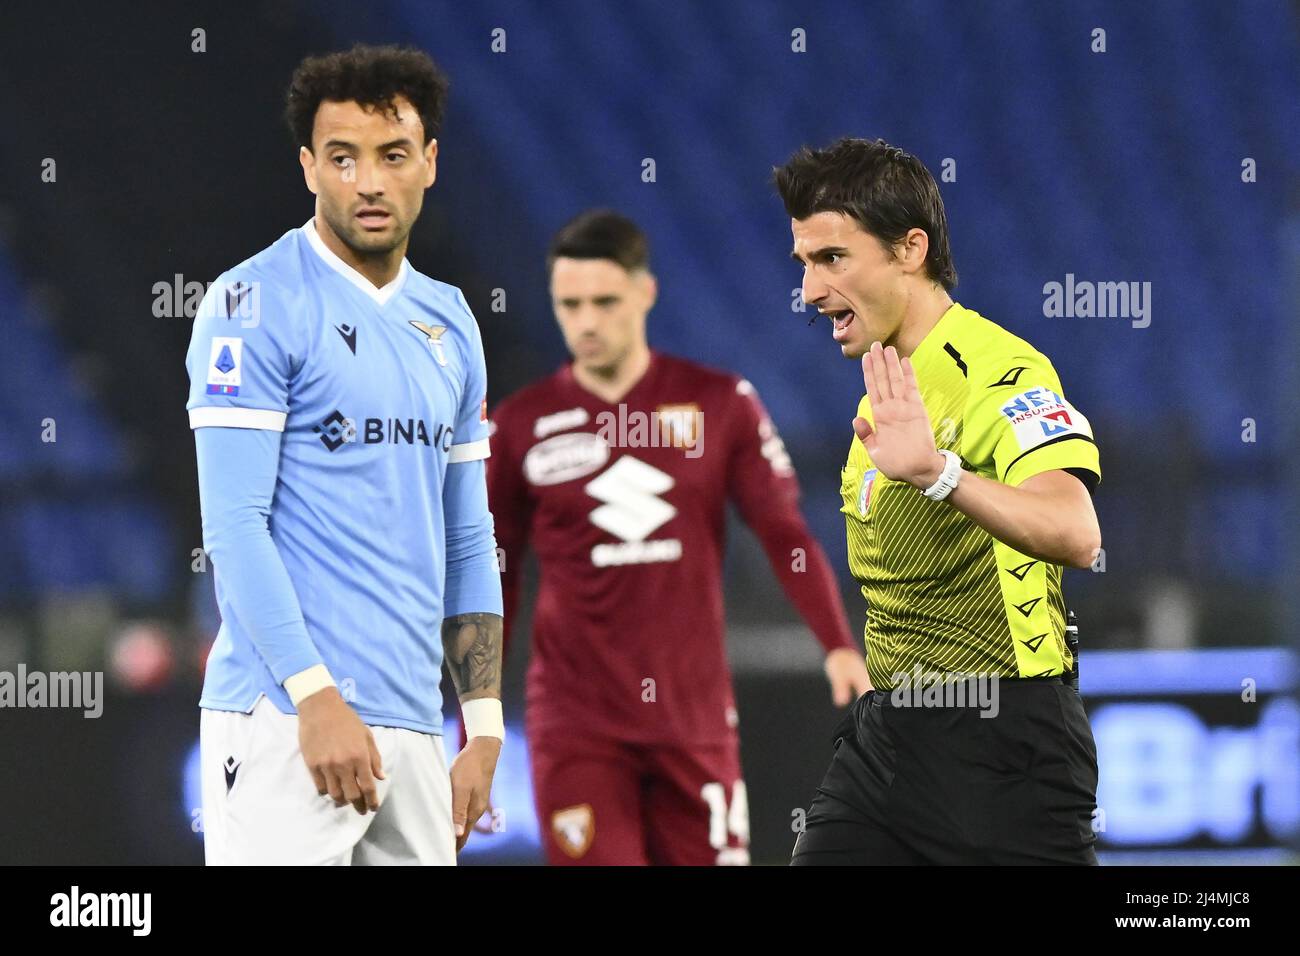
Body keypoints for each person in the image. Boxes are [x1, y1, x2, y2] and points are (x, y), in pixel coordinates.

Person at [185, 44, 502, 865]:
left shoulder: (453, 321)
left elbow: (467, 535)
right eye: (342, 157)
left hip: (413, 728)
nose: (369, 181)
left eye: (393, 155)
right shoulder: (252, 302)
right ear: (307, 168)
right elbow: (234, 526)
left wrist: (485, 725)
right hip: (284, 722)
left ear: (428, 162)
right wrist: (312, 695)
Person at [487, 209, 871, 865]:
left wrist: (837, 644)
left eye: (604, 301)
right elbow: (495, 570)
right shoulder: (521, 425)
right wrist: (484, 704)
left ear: (645, 293)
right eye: (569, 304)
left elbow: (784, 531)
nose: (585, 322)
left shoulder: (718, 404)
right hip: (576, 725)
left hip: (693, 721)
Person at [777, 137, 1103, 865]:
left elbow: (1077, 531)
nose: (808, 291)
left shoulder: (1003, 372)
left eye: (832, 259)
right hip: (887, 742)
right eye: (803, 264)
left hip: (1002, 746)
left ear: (909, 249)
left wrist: (940, 475)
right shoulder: (888, 388)